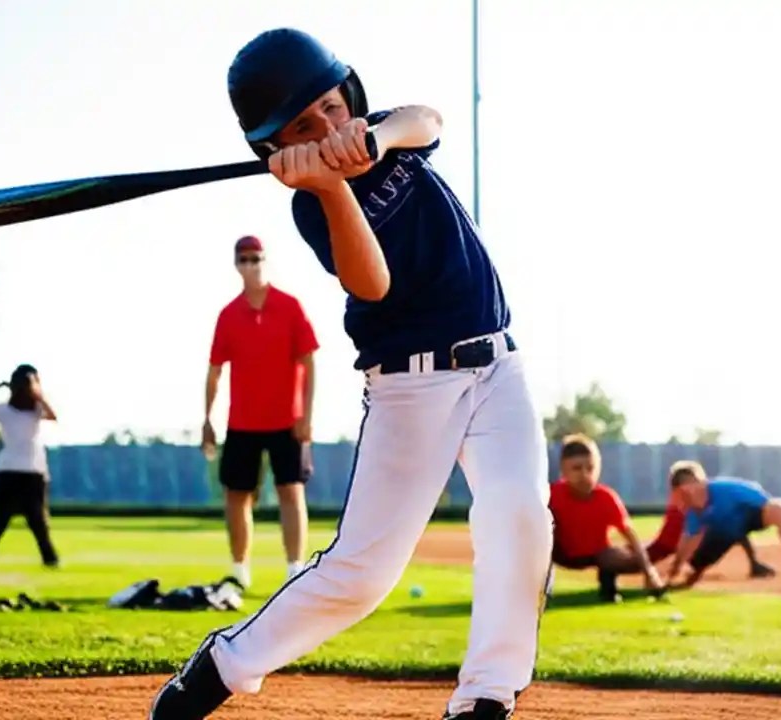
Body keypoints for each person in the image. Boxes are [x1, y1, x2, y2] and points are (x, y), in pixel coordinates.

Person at [151, 28, 553, 720]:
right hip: (410, 387)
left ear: (350, 96)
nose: (326, 125)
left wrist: (375, 135)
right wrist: (332, 184)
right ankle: (223, 665)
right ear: (274, 149)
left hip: (498, 366)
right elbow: (372, 283)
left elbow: (428, 119)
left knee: (520, 515)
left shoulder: (388, 133)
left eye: (332, 107)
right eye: (302, 126)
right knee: (363, 572)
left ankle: (486, 695)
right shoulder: (312, 205)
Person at [203, 235, 318, 589]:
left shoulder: (290, 306)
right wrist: (207, 419)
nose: (250, 265)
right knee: (236, 495)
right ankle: (239, 570)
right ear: (236, 264)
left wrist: (307, 416)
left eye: (256, 259)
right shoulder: (228, 314)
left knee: (291, 490)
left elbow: (309, 361)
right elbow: (215, 370)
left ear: (265, 261)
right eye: (244, 259)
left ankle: (295, 568)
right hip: (242, 421)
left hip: (287, 418)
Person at [665, 460, 781, 591]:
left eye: (692, 486)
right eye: (683, 491)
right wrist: (677, 567)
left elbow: (764, 501)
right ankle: (693, 577)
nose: (690, 493)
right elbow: (688, 539)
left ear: (703, 482)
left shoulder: (727, 489)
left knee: (778, 507)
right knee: (723, 532)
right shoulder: (694, 512)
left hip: (749, 517)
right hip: (721, 535)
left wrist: (762, 510)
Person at [547, 434, 664, 602]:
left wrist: (649, 572)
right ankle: (540, 590)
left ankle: (608, 588)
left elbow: (630, 535)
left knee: (616, 555)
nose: (585, 474)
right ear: (563, 470)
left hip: (596, 555)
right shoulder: (551, 495)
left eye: (590, 468)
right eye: (577, 468)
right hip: (560, 553)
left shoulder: (606, 497)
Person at [0, 364, 60, 568]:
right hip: (9, 469)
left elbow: (53, 416)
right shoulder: (3, 409)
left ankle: (49, 558)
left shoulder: (36, 411)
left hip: (33, 469)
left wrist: (39, 395)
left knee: (37, 519)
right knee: (0, 517)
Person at [645, 492, 774, 580]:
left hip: (702, 538)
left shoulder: (713, 502)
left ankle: (754, 564)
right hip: (691, 544)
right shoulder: (690, 506)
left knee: (734, 527)